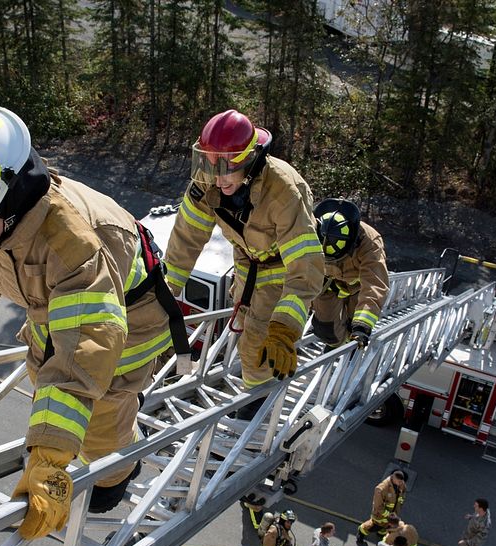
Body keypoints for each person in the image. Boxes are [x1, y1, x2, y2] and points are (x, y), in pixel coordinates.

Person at [0, 102, 177, 539]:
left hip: (126, 326)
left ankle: (119, 470)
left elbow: (84, 350)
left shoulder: (72, 243)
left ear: (6, 195)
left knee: (101, 413)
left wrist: (50, 461)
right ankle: (72, 448)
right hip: (57, 317)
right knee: (48, 385)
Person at [162, 109, 325, 420]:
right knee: (244, 329)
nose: (217, 178)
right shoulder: (208, 178)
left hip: (281, 266)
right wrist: (166, 293)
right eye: (210, 165)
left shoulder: (284, 190)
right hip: (247, 261)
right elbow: (185, 240)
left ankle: (257, 407)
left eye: (226, 169)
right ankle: (256, 389)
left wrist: (284, 328)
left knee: (257, 342)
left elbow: (305, 266)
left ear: (249, 161)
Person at [310, 198, 389, 348]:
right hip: (328, 284)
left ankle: (351, 348)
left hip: (358, 288)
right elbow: (302, 270)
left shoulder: (369, 242)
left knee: (356, 327)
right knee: (326, 329)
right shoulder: (311, 231)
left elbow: (375, 283)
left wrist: (363, 325)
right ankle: (334, 345)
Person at [357, 470, 407, 543]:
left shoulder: (401, 483)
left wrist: (400, 502)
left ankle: (381, 533)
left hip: (392, 514)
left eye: (401, 482)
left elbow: (403, 493)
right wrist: (389, 515)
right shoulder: (381, 489)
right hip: (380, 515)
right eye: (399, 482)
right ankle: (361, 532)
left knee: (386, 526)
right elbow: (378, 506)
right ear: (393, 477)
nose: (400, 483)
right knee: (373, 526)